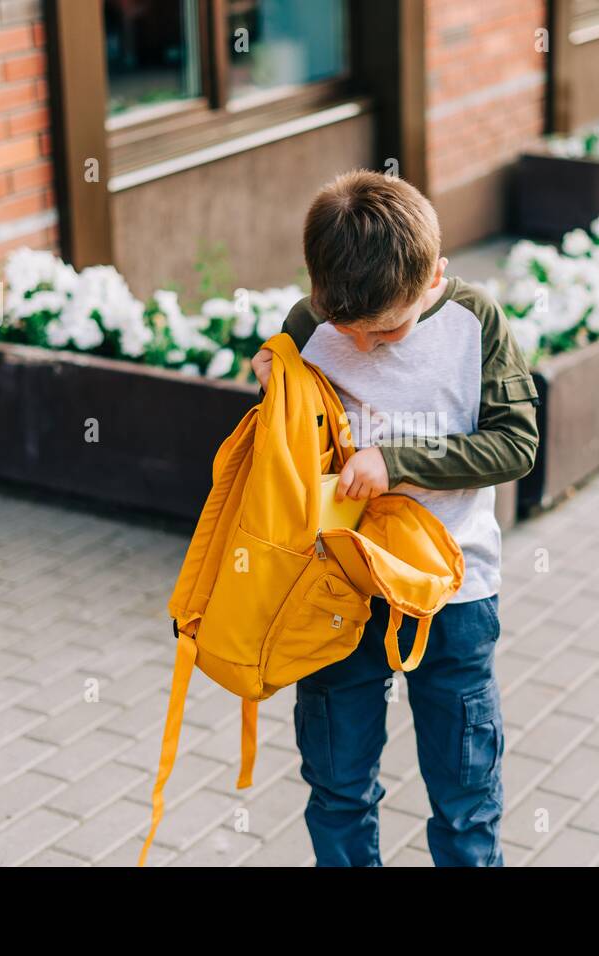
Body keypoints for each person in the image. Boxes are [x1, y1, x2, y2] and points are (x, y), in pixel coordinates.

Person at [249, 170, 540, 866]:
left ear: (435, 275)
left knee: (465, 795)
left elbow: (516, 442)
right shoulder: (310, 323)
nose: (369, 346)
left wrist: (396, 461)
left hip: (453, 593)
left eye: (389, 330)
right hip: (336, 593)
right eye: (351, 332)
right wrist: (270, 382)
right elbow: (286, 431)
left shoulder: (476, 325)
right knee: (338, 786)